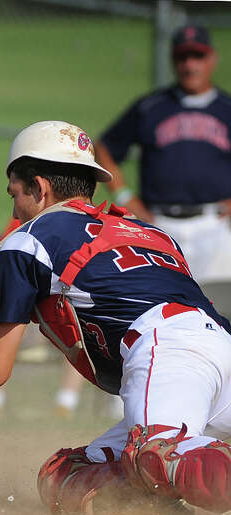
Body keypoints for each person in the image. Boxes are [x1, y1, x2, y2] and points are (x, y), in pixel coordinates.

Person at [0, 120, 231, 515]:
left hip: (165, 348)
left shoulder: (28, 240)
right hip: (217, 348)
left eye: (15, 194)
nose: (14, 209)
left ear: (40, 187)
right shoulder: (154, 234)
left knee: (156, 455)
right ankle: (163, 514)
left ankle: (173, 472)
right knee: (65, 477)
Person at [95, 24, 231, 310]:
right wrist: (125, 197)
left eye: (197, 56)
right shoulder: (152, 107)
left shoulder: (226, 109)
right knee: (163, 307)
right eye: (183, 57)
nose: (190, 65)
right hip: (160, 224)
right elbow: (103, 148)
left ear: (212, 59)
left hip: (217, 224)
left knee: (222, 308)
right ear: (173, 60)